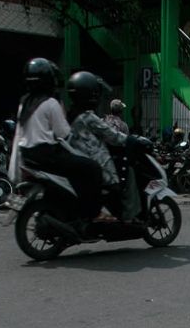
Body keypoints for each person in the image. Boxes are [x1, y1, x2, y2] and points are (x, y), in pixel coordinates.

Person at [11, 57, 103, 233]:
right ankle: (91, 214)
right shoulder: (51, 103)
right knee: (92, 169)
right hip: (47, 155)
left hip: (28, 156)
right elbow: (64, 133)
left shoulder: (24, 102)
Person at [65, 70, 146, 221]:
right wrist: (133, 141)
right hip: (96, 161)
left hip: (78, 158)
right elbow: (114, 137)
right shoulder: (90, 118)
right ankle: (127, 215)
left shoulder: (72, 114)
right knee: (124, 175)